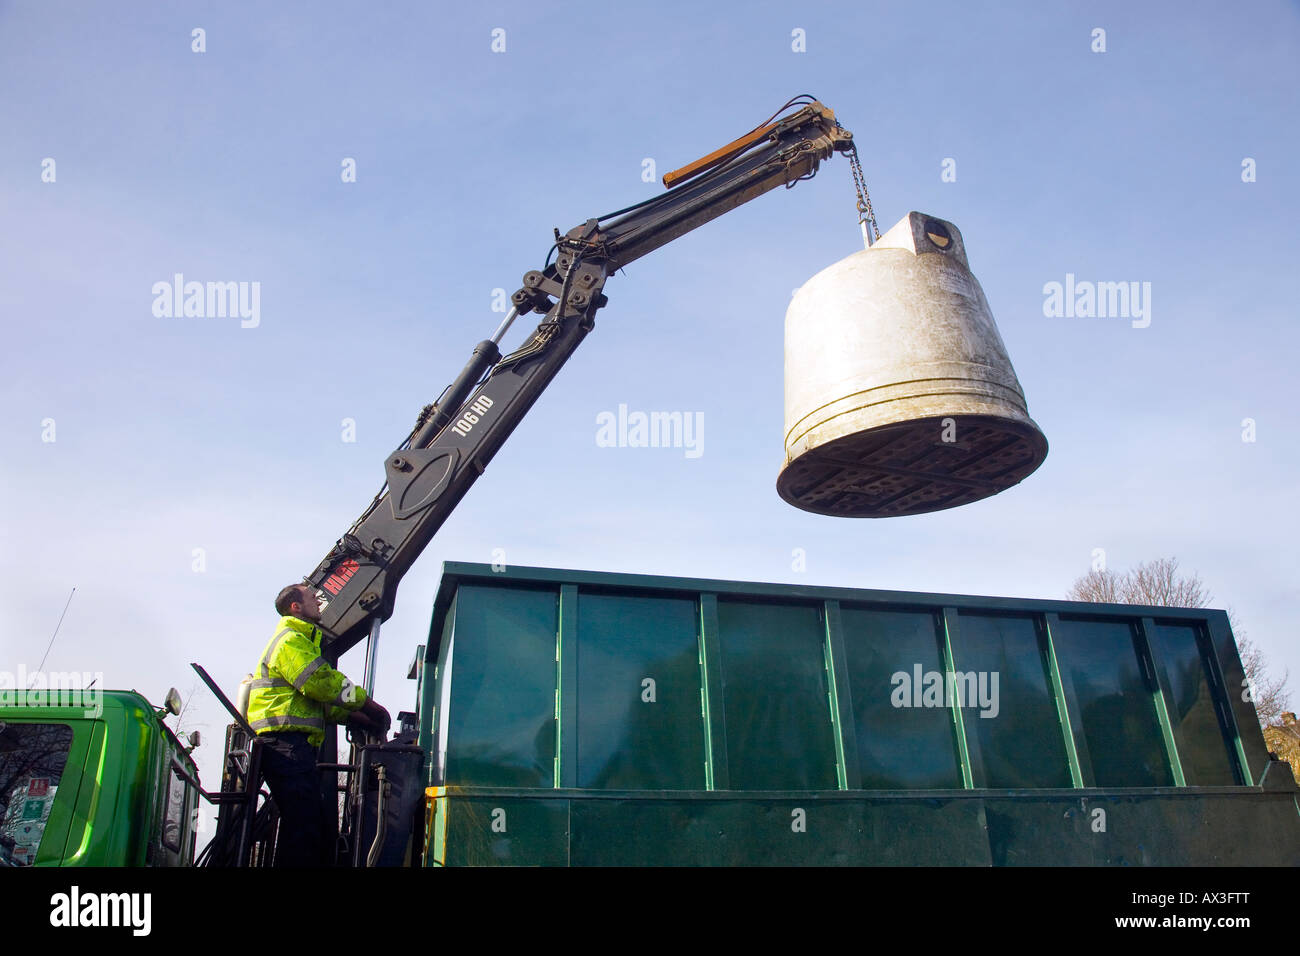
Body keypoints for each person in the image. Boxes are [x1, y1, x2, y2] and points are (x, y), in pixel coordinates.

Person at [247, 583, 391, 866]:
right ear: (295, 607)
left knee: (316, 826)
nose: (319, 602)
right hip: (284, 745)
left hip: (291, 747)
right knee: (304, 825)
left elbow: (316, 704)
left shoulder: (302, 642)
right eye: (313, 598)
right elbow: (320, 683)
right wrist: (367, 704)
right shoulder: (290, 641)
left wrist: (352, 717)